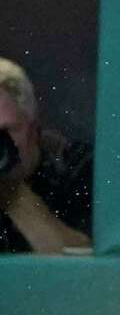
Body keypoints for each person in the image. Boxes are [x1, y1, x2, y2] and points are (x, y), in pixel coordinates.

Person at [0, 57, 92, 254]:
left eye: (7, 130)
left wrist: (14, 195)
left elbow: (88, 272)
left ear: (33, 129)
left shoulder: (77, 174)